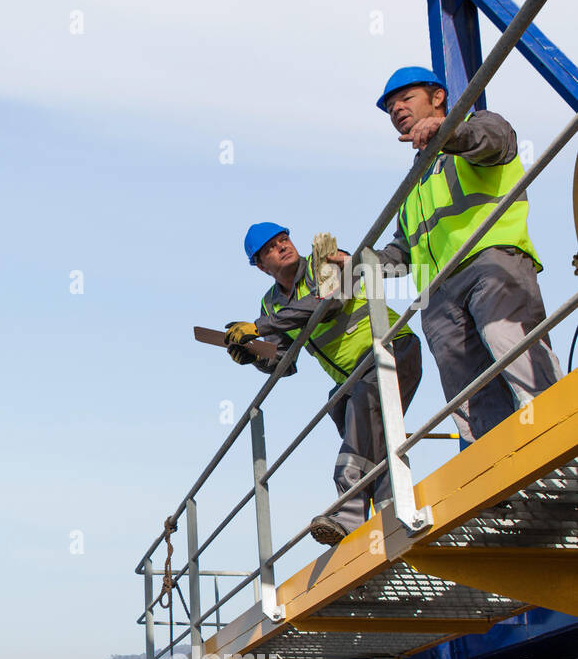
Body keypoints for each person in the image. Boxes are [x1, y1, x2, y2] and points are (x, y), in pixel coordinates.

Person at [374, 66, 561, 442]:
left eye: (405, 99)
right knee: (466, 389)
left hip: (488, 262)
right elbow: (402, 253)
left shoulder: (477, 126)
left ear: (438, 96)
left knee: (511, 346)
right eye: (391, 107)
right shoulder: (413, 185)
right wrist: (355, 266)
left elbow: (492, 140)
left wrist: (450, 135)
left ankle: (557, 435)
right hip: (437, 296)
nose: (397, 110)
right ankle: (496, 466)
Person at [226, 223, 422, 545]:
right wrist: (253, 354)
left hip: (390, 350)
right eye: (272, 247)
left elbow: (325, 304)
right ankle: (392, 507)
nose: (283, 247)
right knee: (365, 429)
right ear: (261, 265)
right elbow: (282, 361)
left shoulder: (323, 262)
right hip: (352, 379)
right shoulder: (272, 304)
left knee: (362, 414)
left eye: (284, 239)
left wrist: (260, 326)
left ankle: (348, 515)